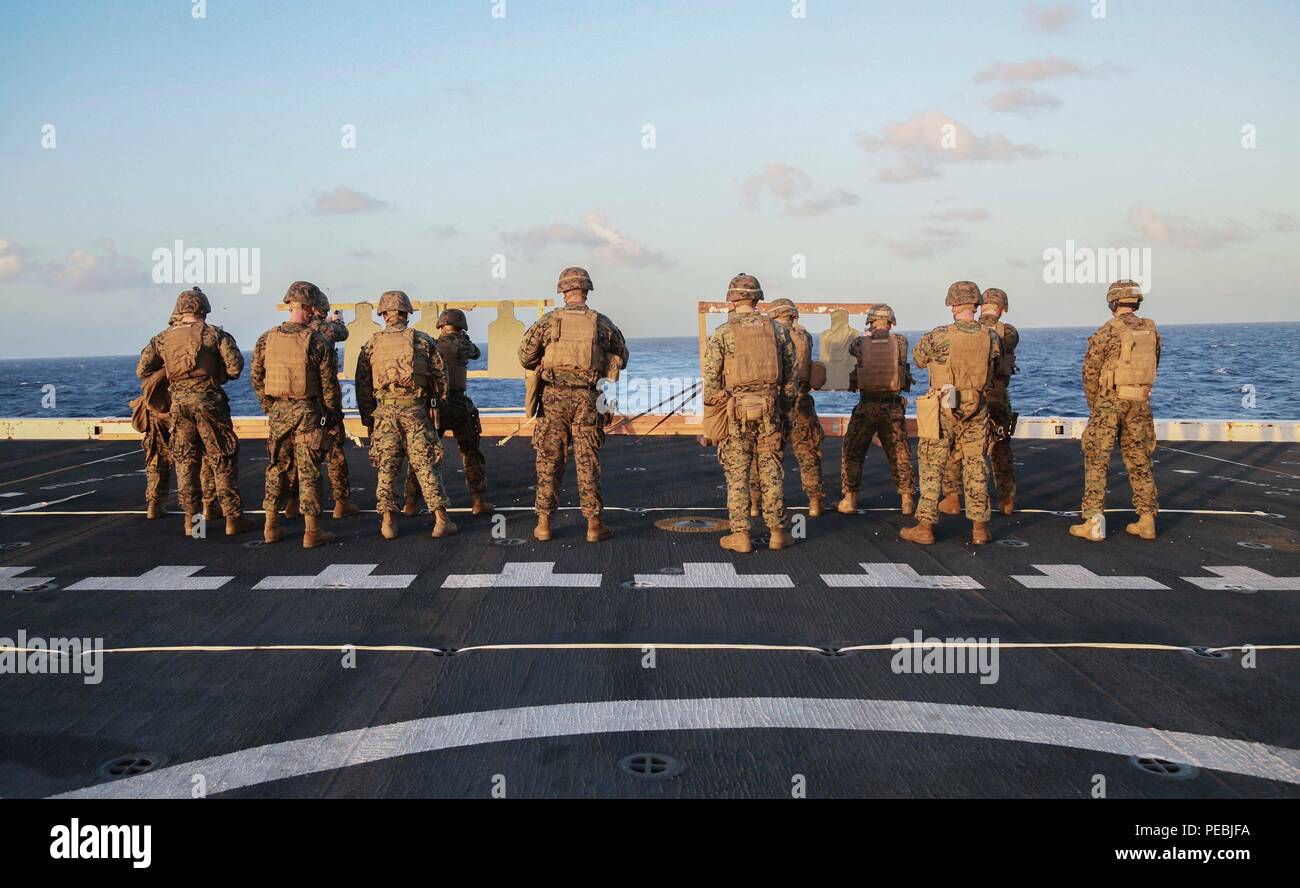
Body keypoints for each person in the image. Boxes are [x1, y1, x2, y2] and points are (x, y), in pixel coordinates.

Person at [518, 267, 629, 543]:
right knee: (587, 461)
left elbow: (525, 356)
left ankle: (543, 524)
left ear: (563, 292)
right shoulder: (600, 323)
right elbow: (622, 356)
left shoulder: (548, 322)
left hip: (553, 398)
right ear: (586, 291)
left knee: (549, 460)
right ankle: (594, 525)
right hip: (587, 399)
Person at [135, 287, 255, 537]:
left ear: (180, 310)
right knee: (221, 457)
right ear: (203, 309)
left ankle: (192, 522)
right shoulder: (214, 334)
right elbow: (234, 368)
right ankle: (232, 519)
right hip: (209, 403)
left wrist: (172, 373)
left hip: (179, 406)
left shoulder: (162, 338)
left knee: (186, 461)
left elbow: (143, 369)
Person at [702, 273, 798, 553]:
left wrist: (718, 408)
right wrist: (786, 409)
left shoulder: (722, 332)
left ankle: (741, 535)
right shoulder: (778, 331)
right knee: (771, 472)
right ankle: (778, 533)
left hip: (735, 412)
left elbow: (711, 382)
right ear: (757, 298)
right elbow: (791, 375)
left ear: (731, 298)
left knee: (737, 474)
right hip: (770, 410)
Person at [900, 281, 1001, 546]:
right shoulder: (991, 336)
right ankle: (979, 528)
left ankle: (925, 527)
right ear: (976, 305)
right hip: (977, 407)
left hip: (943, 406)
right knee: (976, 464)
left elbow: (919, 359)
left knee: (932, 465)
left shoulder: (939, 335)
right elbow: (996, 367)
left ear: (953, 305)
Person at [355, 290, 457, 540]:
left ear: (383, 313)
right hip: (414, 410)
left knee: (387, 467)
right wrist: (437, 405)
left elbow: (363, 385)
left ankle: (388, 522)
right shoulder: (422, 341)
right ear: (406, 313)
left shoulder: (372, 344)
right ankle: (441, 520)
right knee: (426, 464)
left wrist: (369, 418)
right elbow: (441, 378)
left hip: (384, 412)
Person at [251, 281, 344, 548]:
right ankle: (312, 531)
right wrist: (331, 418)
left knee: (277, 467)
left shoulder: (266, 339)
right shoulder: (317, 341)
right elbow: (329, 387)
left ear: (290, 304)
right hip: (308, 413)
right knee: (308, 471)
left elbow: (257, 378)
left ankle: (271, 527)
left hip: (279, 412)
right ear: (313, 307)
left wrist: (270, 408)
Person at [1070, 280, 1161, 542]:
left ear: (1112, 303)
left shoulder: (1107, 332)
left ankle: (1093, 521)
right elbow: (1156, 361)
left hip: (1109, 402)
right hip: (1140, 401)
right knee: (1140, 459)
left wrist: (1095, 405)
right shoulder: (1151, 330)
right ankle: (1147, 520)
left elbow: (1090, 373)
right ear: (1137, 302)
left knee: (1097, 459)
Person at [404, 308, 493, 516]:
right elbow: (476, 353)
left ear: (440, 326)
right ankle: (478, 501)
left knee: (422, 454)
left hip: (434, 405)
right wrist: (464, 337)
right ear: (461, 327)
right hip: (458, 403)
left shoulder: (431, 345)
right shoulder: (463, 344)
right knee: (471, 452)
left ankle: (410, 503)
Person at [940, 287, 1019, 516]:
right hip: (999, 398)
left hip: (969, 397)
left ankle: (953, 498)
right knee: (1001, 447)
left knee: (958, 447)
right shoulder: (1009, 332)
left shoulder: (969, 329)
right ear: (1002, 309)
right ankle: (1006, 500)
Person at [135, 308, 216, 521]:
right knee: (201, 456)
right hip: (184, 405)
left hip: (159, 407)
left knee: (157, 456)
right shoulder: (198, 339)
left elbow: (142, 370)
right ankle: (207, 505)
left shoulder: (160, 341)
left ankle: (154, 503)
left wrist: (164, 373)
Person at [283, 290, 358, 519]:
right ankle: (340, 503)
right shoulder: (325, 329)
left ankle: (292, 503)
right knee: (335, 453)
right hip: (320, 404)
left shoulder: (283, 333)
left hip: (290, 403)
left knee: (293, 456)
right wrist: (335, 320)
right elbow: (343, 333)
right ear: (316, 308)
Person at [838, 303, 916, 516]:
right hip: (893, 407)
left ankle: (850, 499)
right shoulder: (901, 342)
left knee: (852, 452)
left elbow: (851, 352)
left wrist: (867, 336)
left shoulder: (858, 343)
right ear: (891, 322)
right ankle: (907, 500)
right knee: (900, 454)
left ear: (870, 322)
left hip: (867, 405)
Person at [749, 298, 824, 517]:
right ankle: (814, 502)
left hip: (775, 403)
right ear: (793, 315)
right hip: (802, 402)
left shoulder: (769, 335)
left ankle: (755, 504)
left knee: (764, 454)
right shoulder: (805, 336)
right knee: (809, 453)